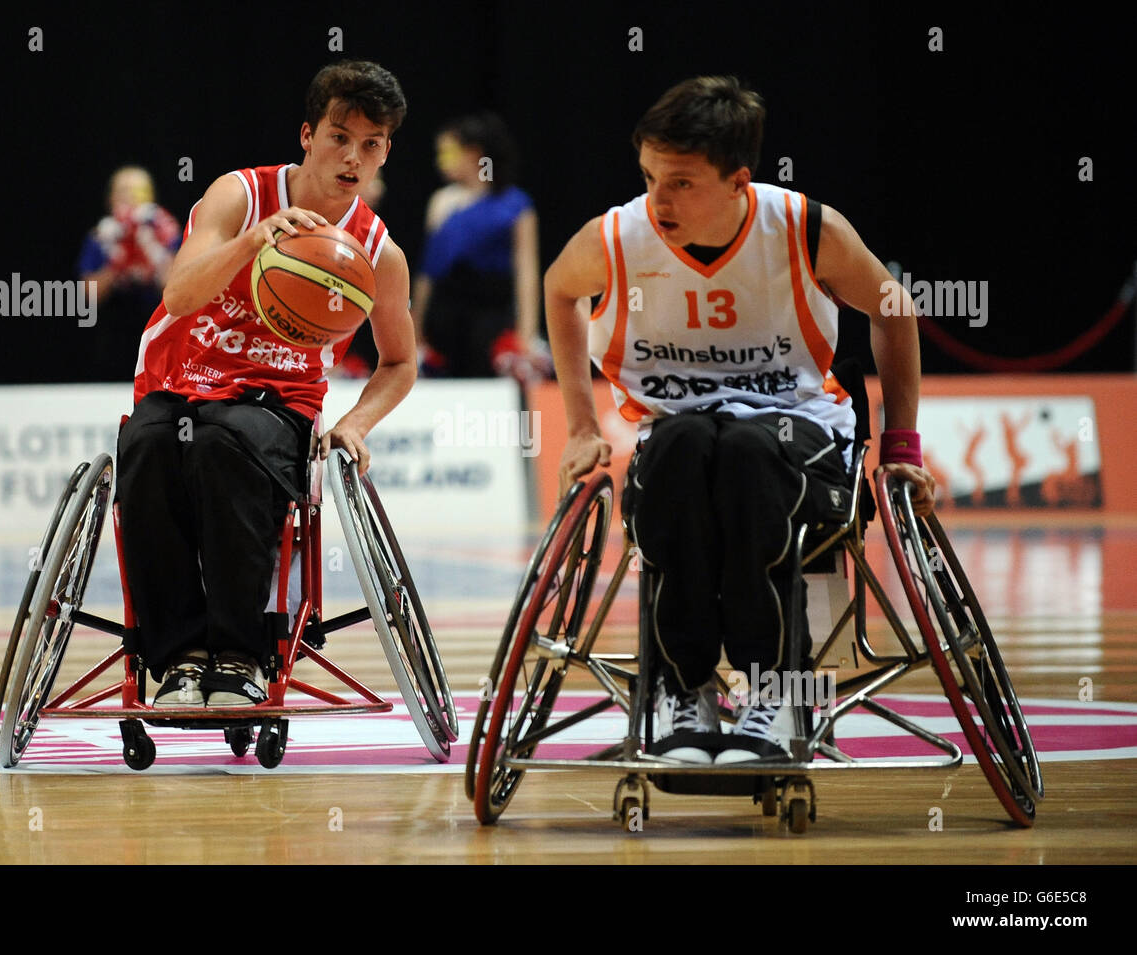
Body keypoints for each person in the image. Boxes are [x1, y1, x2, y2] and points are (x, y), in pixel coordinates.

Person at [544, 76, 936, 764]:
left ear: (738, 182)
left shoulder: (806, 229)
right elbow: (559, 289)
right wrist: (581, 425)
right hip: (677, 440)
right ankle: (684, 687)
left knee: (752, 447)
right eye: (648, 176)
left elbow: (893, 309)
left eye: (682, 183)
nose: (658, 200)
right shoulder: (619, 236)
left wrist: (901, 443)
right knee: (687, 439)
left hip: (799, 433)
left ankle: (774, 690)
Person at [117, 61, 415, 707]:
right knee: (147, 448)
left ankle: (240, 652)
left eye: (371, 144)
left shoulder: (377, 252)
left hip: (274, 402)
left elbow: (399, 362)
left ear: (386, 150)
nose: (352, 156)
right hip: (178, 381)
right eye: (340, 136)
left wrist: (354, 424)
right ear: (307, 134)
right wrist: (254, 243)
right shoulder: (239, 195)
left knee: (227, 442)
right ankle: (180, 656)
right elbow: (179, 292)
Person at [412, 113, 549, 382]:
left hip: (491, 318)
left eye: (448, 152)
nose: (441, 160)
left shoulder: (516, 205)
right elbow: (427, 273)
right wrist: (414, 329)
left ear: (473, 152)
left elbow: (526, 273)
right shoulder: (441, 202)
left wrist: (526, 334)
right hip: (445, 319)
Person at [77, 167, 182, 369]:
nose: (130, 199)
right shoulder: (102, 235)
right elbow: (89, 296)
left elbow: (176, 290)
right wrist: (117, 262)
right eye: (123, 192)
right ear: (110, 198)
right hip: (112, 336)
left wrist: (152, 253)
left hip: (157, 331)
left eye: (137, 192)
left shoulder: (167, 232)